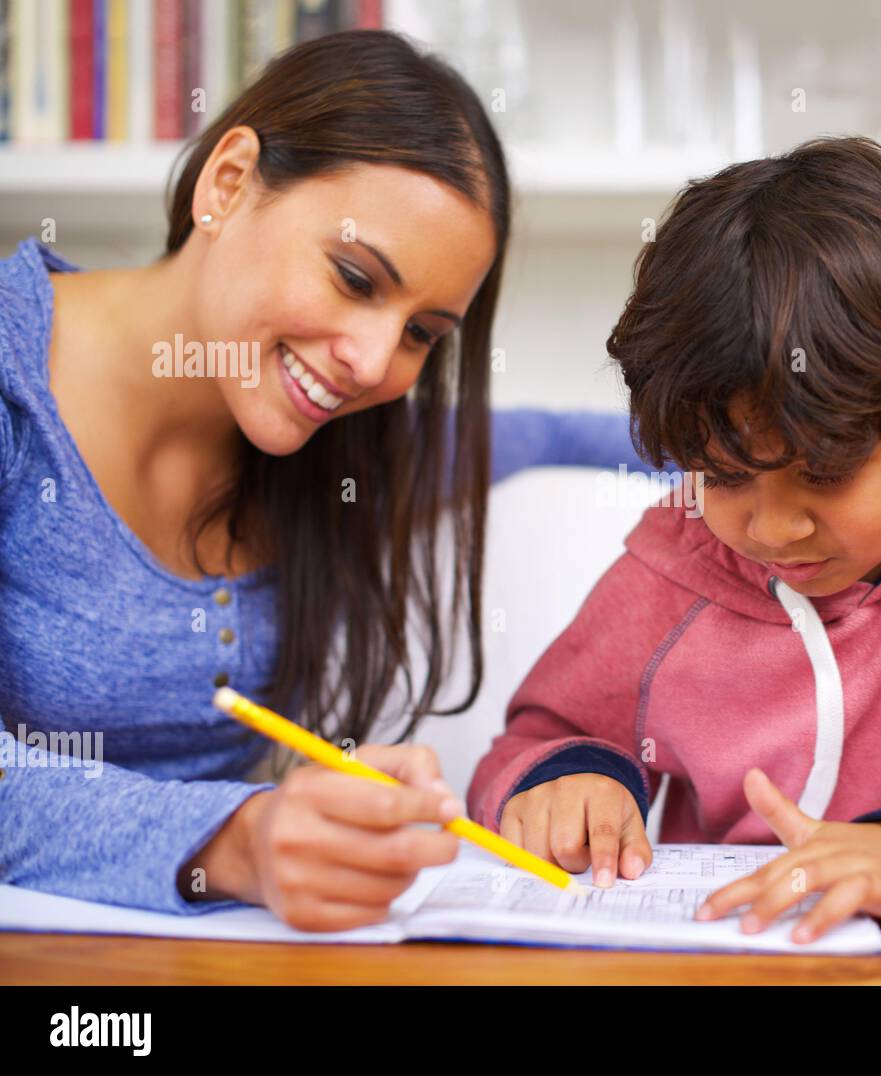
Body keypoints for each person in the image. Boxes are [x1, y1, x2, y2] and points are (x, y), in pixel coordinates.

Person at [0, 30, 646, 932]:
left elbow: (570, 434)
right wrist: (236, 838)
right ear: (227, 183)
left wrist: (878, 426)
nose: (374, 362)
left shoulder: (357, 455)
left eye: (424, 333)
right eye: (353, 278)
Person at [467, 136, 881, 954]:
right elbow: (545, 733)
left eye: (822, 473)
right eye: (723, 477)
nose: (772, 529)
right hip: (741, 951)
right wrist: (568, 782)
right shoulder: (680, 558)